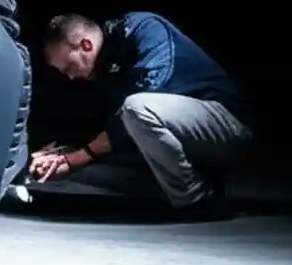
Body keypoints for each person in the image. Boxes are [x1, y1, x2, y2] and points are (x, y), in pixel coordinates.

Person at [28, 12, 252, 214]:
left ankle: (197, 200)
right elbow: (112, 131)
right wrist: (64, 153)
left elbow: (149, 94)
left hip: (226, 125)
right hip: (180, 140)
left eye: (69, 67)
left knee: (135, 108)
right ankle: (202, 183)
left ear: (86, 45)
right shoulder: (105, 71)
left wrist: (79, 156)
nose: (70, 77)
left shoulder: (144, 28)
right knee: (86, 173)